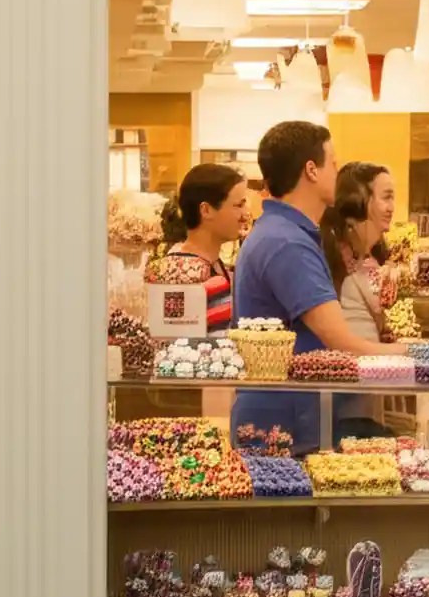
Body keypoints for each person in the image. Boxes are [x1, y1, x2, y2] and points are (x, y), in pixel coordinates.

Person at [232, 121, 405, 455]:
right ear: (311, 170)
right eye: (334, 163)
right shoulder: (287, 243)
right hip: (284, 423)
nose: (338, 173)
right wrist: (419, 356)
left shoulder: (282, 232)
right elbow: (342, 342)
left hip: (289, 413)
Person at [319, 162, 401, 444]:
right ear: (358, 200)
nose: (392, 207)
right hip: (342, 397)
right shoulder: (334, 258)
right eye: (386, 197)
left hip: (368, 387)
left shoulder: (369, 258)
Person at [146, 163, 249, 335]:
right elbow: (176, 345)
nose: (245, 214)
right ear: (206, 210)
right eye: (238, 205)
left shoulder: (212, 265)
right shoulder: (183, 272)